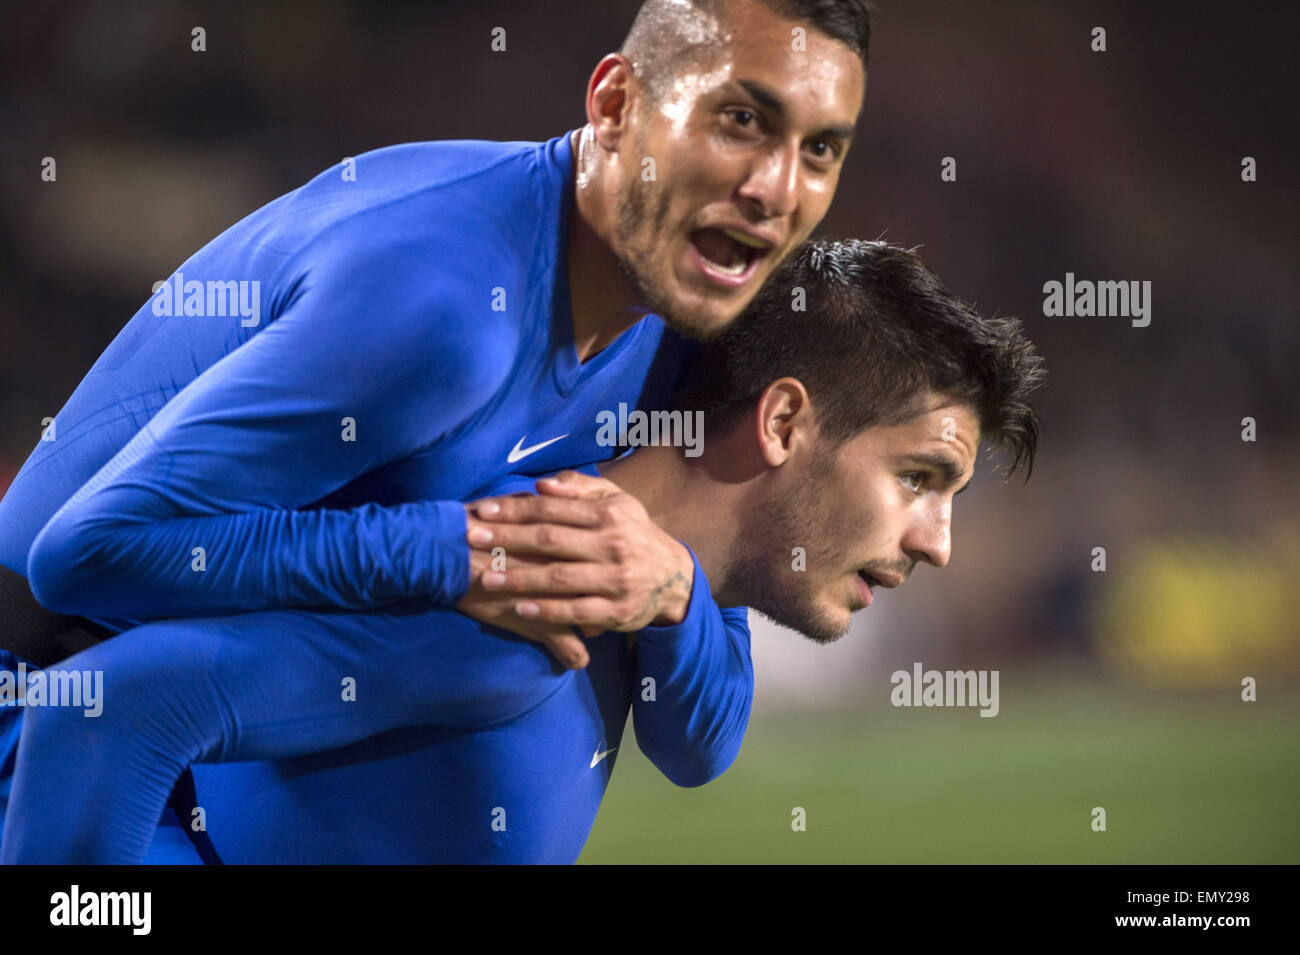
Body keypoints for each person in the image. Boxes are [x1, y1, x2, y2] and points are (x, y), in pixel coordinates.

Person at [1, 239, 1046, 863]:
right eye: (919, 477)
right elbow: (110, 714)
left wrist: (678, 593)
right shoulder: (522, 590)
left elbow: (701, 743)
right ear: (780, 424)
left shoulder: (686, 574)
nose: (939, 542)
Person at [0, 0, 871, 675]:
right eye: (741, 121)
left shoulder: (682, 317)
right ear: (613, 103)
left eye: (821, 150)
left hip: (206, 743)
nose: (776, 187)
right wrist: (451, 554)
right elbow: (80, 555)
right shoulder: (447, 305)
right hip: (47, 702)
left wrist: (679, 586)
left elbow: (699, 748)